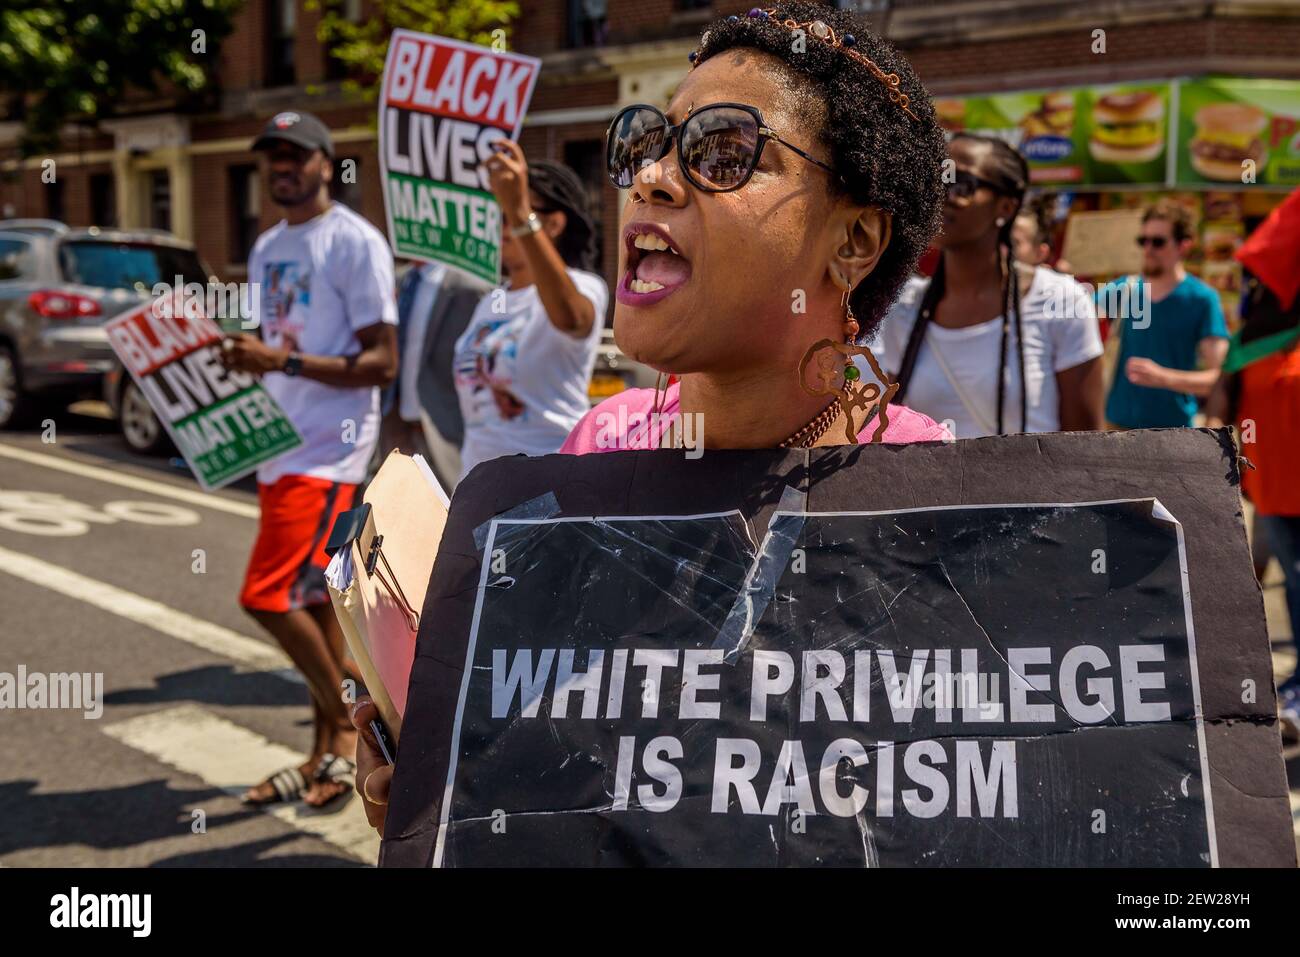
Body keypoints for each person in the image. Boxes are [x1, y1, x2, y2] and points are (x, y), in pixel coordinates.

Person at [352, 1, 953, 832]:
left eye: (722, 150)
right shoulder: (600, 446)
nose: (650, 177)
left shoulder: (937, 496)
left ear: (852, 240)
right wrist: (445, 792)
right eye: (648, 142)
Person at [221, 110, 398, 808]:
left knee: (264, 595)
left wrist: (283, 358)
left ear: (328, 164)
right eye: (272, 157)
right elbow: (282, 344)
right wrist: (249, 358)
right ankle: (326, 755)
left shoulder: (354, 243)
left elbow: (380, 362)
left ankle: (372, 733)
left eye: (296, 155)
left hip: (329, 453)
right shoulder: (267, 247)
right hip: (277, 445)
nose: (281, 168)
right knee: (324, 616)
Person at [871, 133, 1105, 439]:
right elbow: (893, 425)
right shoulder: (903, 309)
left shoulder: (1061, 300)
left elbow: (1084, 443)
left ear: (1006, 207)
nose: (942, 194)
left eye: (962, 183)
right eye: (935, 179)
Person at [452, 145, 608, 480]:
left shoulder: (584, 287)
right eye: (502, 216)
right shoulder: (490, 302)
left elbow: (570, 317)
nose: (504, 227)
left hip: (549, 484)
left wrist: (520, 213)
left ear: (553, 224)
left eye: (515, 215)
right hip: (478, 486)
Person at [1206, 187, 1300, 723]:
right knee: (1274, 581)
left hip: (1279, 492)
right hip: (1269, 492)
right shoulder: (1258, 331)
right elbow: (1221, 402)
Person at [1097, 200, 1229, 429]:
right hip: (1114, 428)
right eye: (1143, 240)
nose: (1147, 249)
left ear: (1184, 246)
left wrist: (1163, 377)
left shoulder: (1202, 298)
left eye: (1158, 242)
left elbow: (1220, 379)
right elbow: (1072, 316)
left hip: (1173, 432)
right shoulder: (1124, 288)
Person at [379, 260, 491, 488]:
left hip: (445, 427)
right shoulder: (399, 280)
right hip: (396, 425)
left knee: (452, 511)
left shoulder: (470, 285)